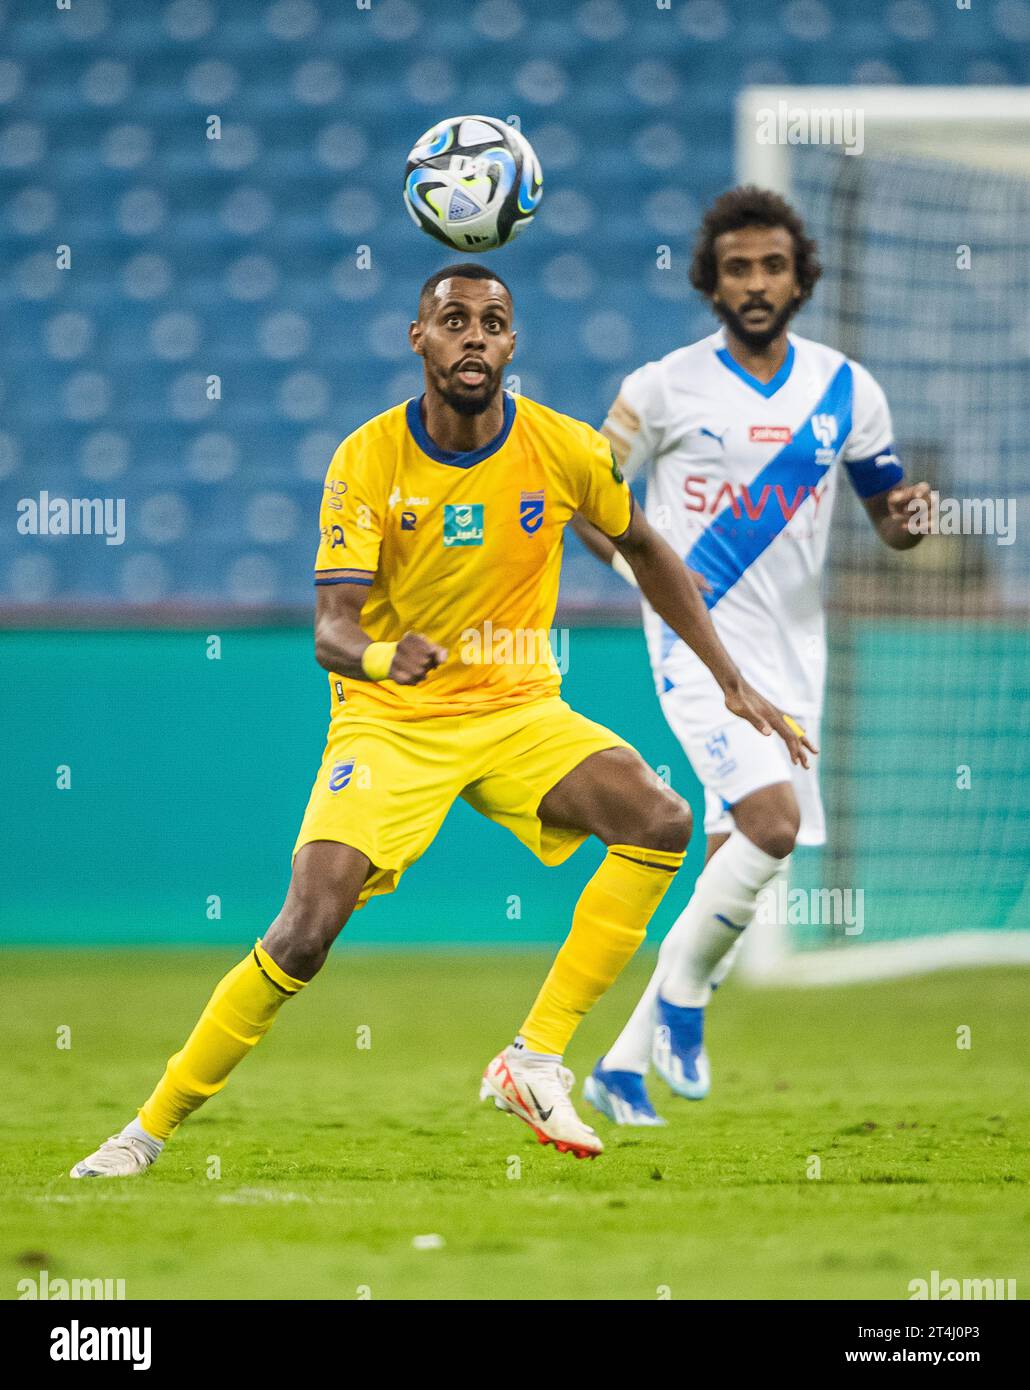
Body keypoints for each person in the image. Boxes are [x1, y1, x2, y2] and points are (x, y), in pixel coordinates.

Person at [71, 262, 808, 1175]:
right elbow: (332, 630)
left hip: (518, 708)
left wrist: (731, 680)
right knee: (304, 930)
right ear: (417, 339)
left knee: (660, 819)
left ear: (512, 343)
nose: (474, 336)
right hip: (390, 721)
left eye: (493, 322)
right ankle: (144, 1132)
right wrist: (385, 656)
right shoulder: (369, 457)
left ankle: (534, 1058)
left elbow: (647, 549)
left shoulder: (565, 448)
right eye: (452, 320)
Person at [576, 188, 929, 1126]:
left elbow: (887, 516)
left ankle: (619, 1066)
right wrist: (654, 577)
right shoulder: (660, 388)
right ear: (711, 280)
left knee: (745, 861)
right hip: (699, 647)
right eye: (738, 268)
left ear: (801, 275)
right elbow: (589, 505)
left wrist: (909, 521)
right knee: (769, 825)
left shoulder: (849, 391)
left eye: (773, 265)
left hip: (794, 658)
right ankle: (683, 1010)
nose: (757, 283)